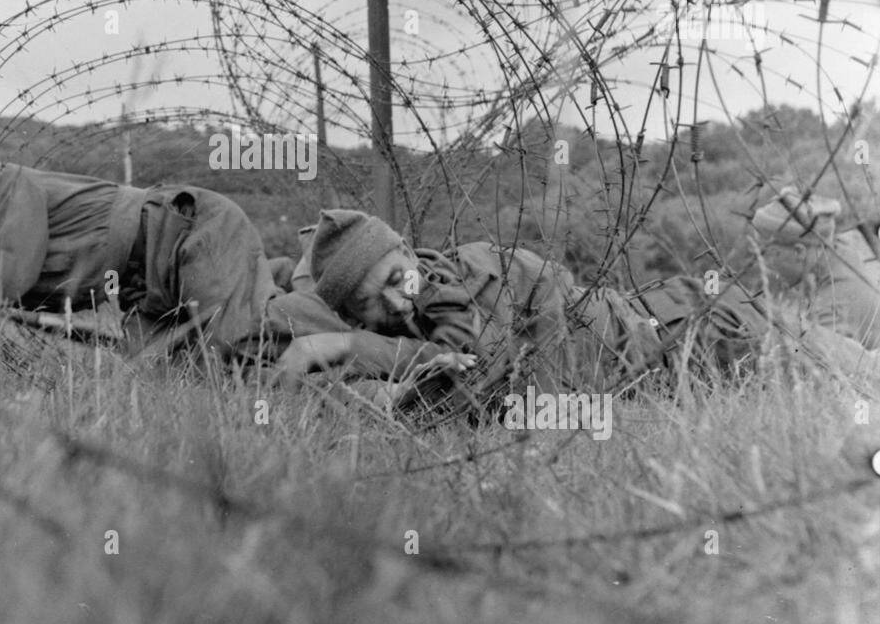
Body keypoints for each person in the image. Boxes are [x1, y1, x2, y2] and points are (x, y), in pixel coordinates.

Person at [265, 207, 878, 412]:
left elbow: (482, 373)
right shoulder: (417, 322)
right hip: (679, 348)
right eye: (378, 299)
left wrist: (349, 348)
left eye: (400, 276)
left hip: (705, 332)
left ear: (407, 251)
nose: (403, 296)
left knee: (863, 381)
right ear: (359, 310)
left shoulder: (474, 270)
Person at [0, 162, 276, 361]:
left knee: (240, 348)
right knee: (171, 379)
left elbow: (8, 278)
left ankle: (333, 320)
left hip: (189, 233)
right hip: (145, 291)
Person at [749, 185, 880, 349]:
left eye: (766, 253)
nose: (763, 264)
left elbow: (813, 366)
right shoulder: (838, 250)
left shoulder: (834, 308)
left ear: (799, 252)